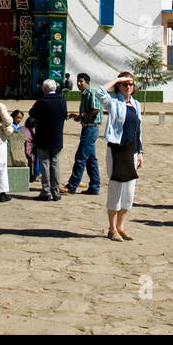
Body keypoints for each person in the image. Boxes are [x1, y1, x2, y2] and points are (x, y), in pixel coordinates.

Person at [100, 72, 144, 240]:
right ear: (119, 86)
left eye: (131, 84)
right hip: (117, 150)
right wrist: (117, 79)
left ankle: (121, 226)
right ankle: (112, 228)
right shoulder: (114, 103)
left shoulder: (136, 105)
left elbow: (138, 130)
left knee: (129, 191)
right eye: (125, 84)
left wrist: (140, 152)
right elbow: (100, 92)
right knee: (116, 188)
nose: (128, 87)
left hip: (132, 150)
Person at [63, 73, 103, 195]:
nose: (79, 83)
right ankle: (95, 186)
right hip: (87, 127)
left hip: (91, 129)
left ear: (87, 82)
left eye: (81, 81)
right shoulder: (84, 94)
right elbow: (87, 113)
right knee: (91, 160)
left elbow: (95, 109)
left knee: (80, 157)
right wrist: (77, 116)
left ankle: (72, 186)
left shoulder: (91, 92)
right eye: (78, 81)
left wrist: (83, 116)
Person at [28, 78, 67, 200]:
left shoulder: (41, 101)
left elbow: (31, 113)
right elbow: (64, 115)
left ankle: (46, 191)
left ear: (45, 89)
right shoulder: (62, 100)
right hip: (57, 137)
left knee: (45, 163)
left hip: (43, 137)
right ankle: (56, 192)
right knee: (55, 164)